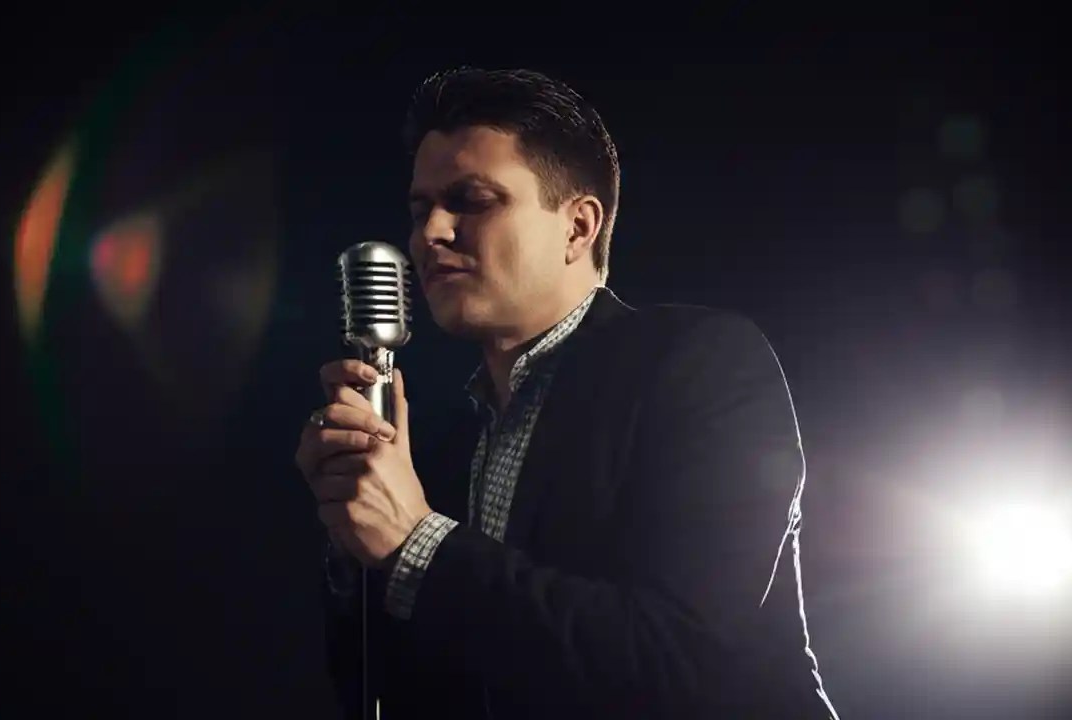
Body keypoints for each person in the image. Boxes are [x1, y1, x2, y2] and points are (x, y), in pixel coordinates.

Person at [295, 66, 839, 719]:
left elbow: (681, 657)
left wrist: (415, 539)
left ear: (578, 227)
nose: (430, 233)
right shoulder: (441, 448)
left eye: (471, 200)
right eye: (420, 209)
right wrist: (356, 541)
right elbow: (389, 690)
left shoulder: (699, 363)